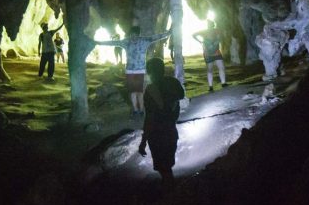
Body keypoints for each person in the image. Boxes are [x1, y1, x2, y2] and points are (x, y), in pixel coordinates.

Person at [95, 26, 170, 118]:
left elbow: (157, 37)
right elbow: (113, 42)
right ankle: (135, 110)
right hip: (130, 71)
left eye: (135, 35)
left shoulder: (144, 41)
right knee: (132, 92)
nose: (133, 37)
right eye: (132, 35)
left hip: (140, 70)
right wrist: (99, 42)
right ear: (130, 34)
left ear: (138, 34)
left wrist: (168, 33)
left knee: (139, 92)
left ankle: (141, 110)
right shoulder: (126, 41)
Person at [138, 57, 185, 187]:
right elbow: (181, 95)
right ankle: (172, 193)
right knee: (167, 166)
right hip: (171, 131)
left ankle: (171, 197)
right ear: (163, 69)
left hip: (157, 135)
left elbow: (150, 118)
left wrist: (143, 141)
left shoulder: (151, 90)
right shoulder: (173, 82)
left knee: (164, 169)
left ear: (149, 72)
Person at [193, 20, 227, 91]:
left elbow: (194, 35)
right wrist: (200, 41)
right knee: (211, 69)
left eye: (211, 24)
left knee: (219, 67)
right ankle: (212, 86)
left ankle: (221, 83)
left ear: (213, 25)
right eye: (209, 24)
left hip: (215, 53)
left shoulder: (216, 30)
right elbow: (194, 35)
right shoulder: (206, 31)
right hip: (209, 53)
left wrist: (201, 41)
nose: (210, 25)